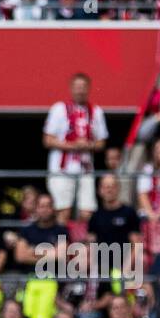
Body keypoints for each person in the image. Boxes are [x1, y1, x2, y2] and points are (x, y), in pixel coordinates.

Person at [43, 72, 108, 222]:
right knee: (62, 211)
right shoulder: (59, 109)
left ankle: (81, 245)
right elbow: (47, 140)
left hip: (85, 169)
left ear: (89, 88)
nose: (80, 90)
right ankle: (62, 244)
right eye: (77, 87)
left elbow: (101, 142)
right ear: (71, 88)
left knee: (87, 212)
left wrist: (88, 145)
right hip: (61, 169)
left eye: (84, 87)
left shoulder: (96, 112)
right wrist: (73, 146)